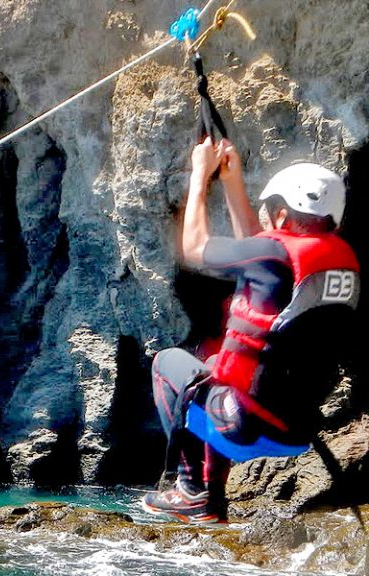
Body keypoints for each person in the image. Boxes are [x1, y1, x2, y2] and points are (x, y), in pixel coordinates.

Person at [142, 137, 361, 524]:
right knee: (215, 370)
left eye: (271, 211)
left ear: (280, 214)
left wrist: (200, 175)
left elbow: (195, 248)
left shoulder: (276, 257)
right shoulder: (338, 263)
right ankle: (210, 507)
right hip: (293, 433)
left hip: (243, 424)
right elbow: (258, 248)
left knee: (168, 363)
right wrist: (232, 182)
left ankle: (193, 491)